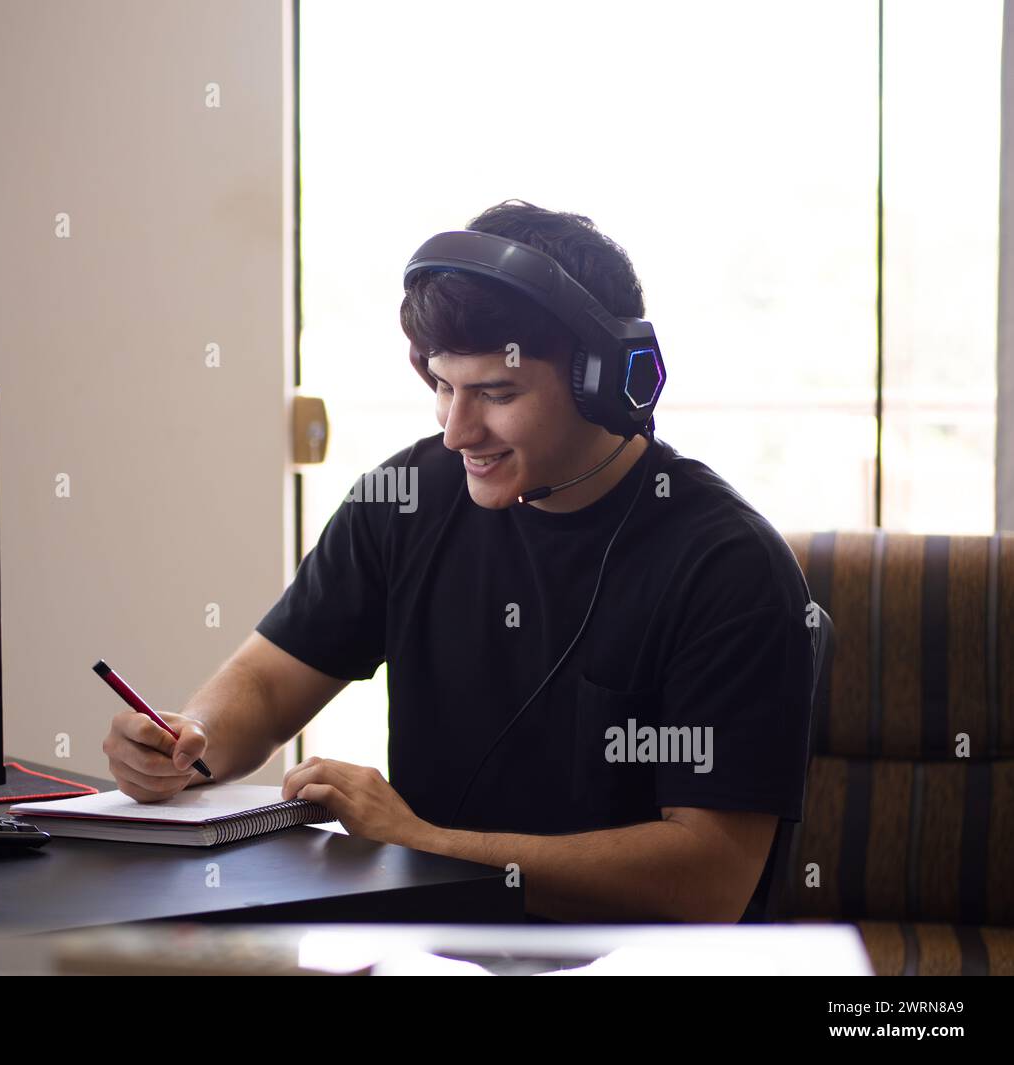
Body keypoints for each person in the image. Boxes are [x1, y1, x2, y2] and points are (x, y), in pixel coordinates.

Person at [102, 199, 815, 923]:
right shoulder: (405, 499)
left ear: (607, 384)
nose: (455, 430)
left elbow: (710, 877)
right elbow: (267, 678)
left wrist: (421, 841)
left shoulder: (729, 568)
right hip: (434, 947)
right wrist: (188, 740)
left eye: (495, 393)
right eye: (442, 387)